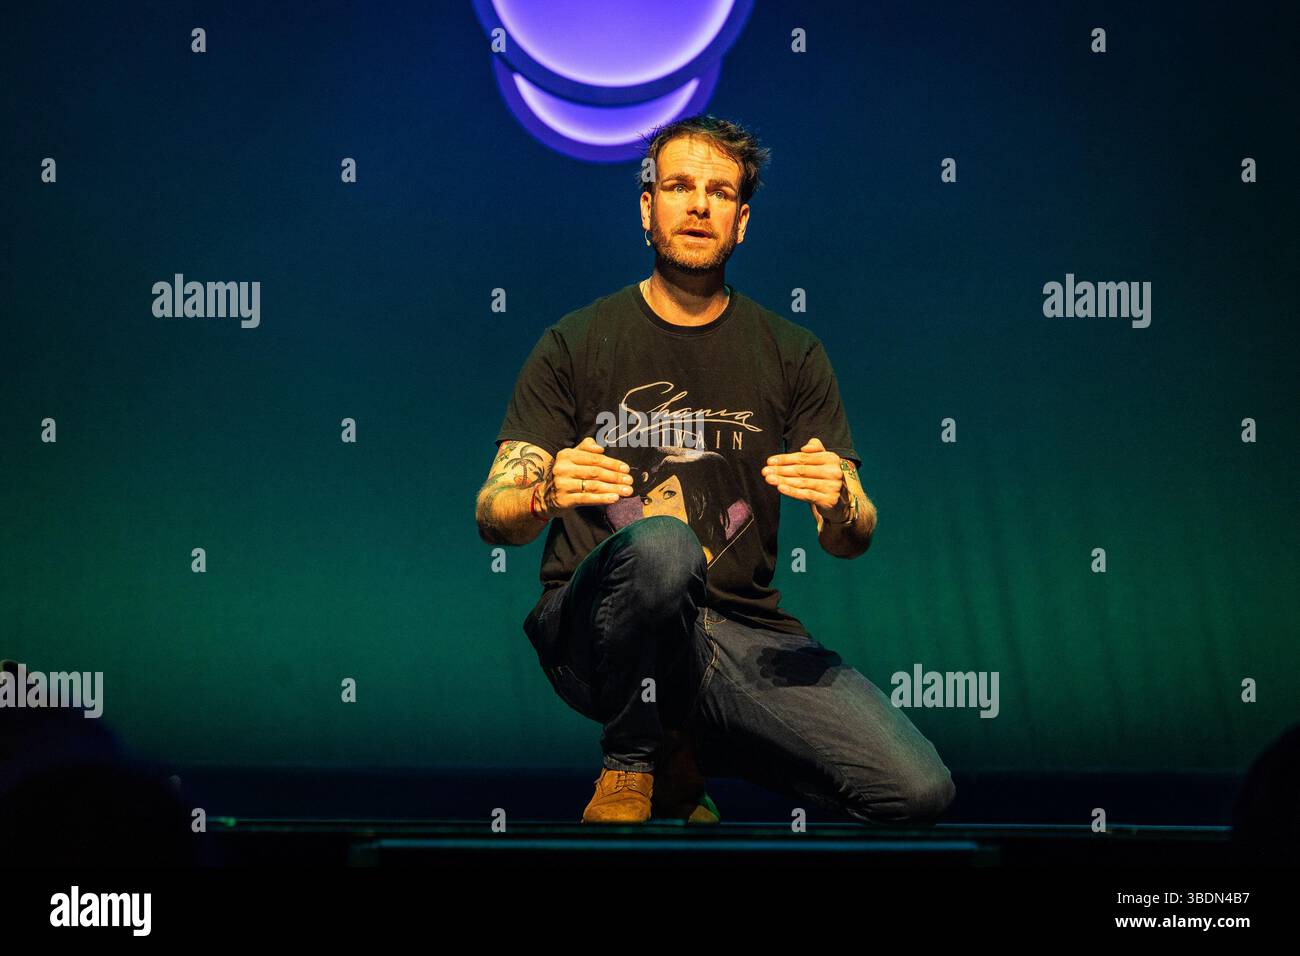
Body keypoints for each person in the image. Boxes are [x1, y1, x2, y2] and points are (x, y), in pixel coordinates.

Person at [476, 115, 955, 825]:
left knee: (918, 792)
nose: (699, 205)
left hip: (733, 634)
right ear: (647, 209)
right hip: (594, 635)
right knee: (664, 543)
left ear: (742, 221)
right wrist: (543, 491)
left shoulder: (791, 352)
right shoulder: (574, 342)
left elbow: (853, 535)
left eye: (719, 193)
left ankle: (691, 745)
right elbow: (493, 515)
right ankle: (631, 762)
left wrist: (842, 506)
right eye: (677, 186)